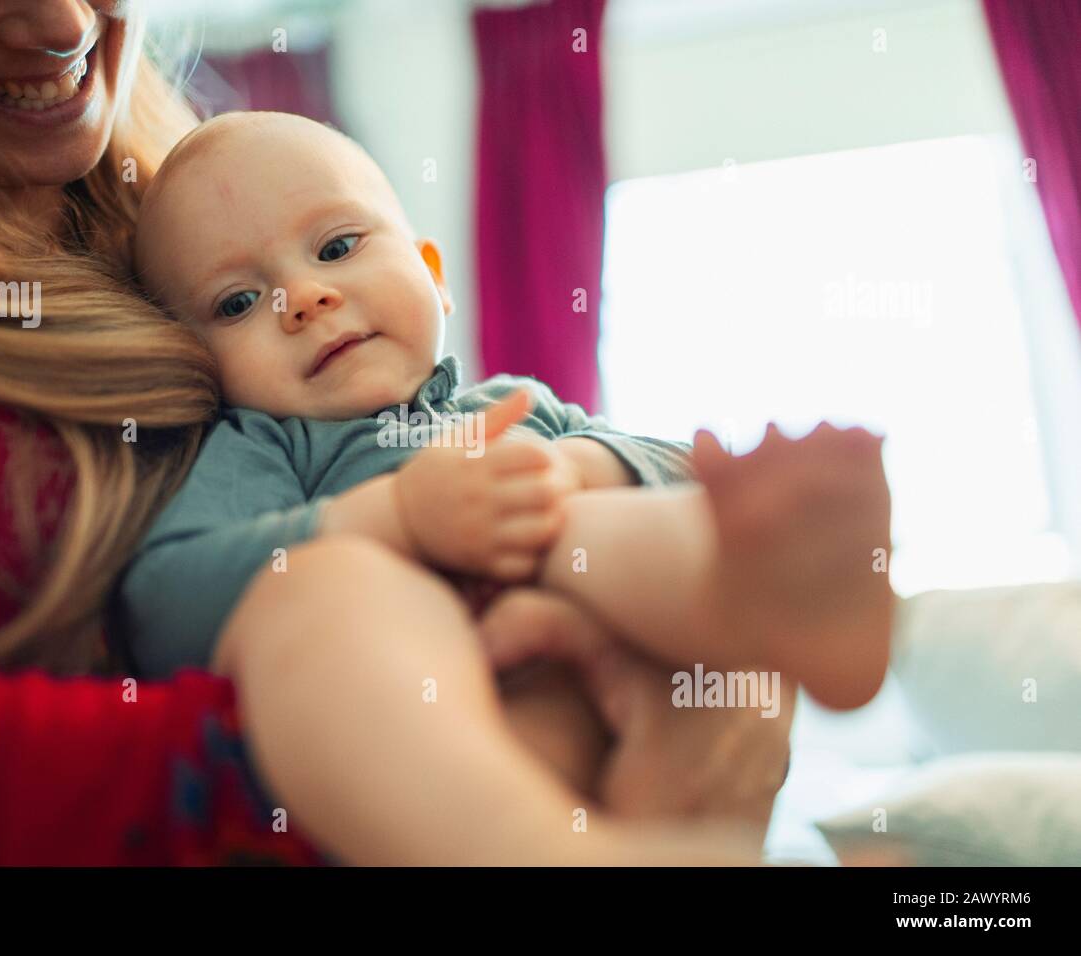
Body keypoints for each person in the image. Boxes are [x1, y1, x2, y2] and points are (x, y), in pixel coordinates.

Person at [121, 111, 894, 865]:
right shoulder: (267, 445)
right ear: (198, 365)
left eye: (337, 246)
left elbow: (679, 468)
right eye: (237, 302)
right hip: (450, 729)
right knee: (318, 595)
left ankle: (771, 602)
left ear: (433, 274)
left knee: (589, 513)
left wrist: (571, 471)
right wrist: (401, 517)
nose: (302, 298)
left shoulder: (513, 408)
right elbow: (166, 598)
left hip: (625, 692)